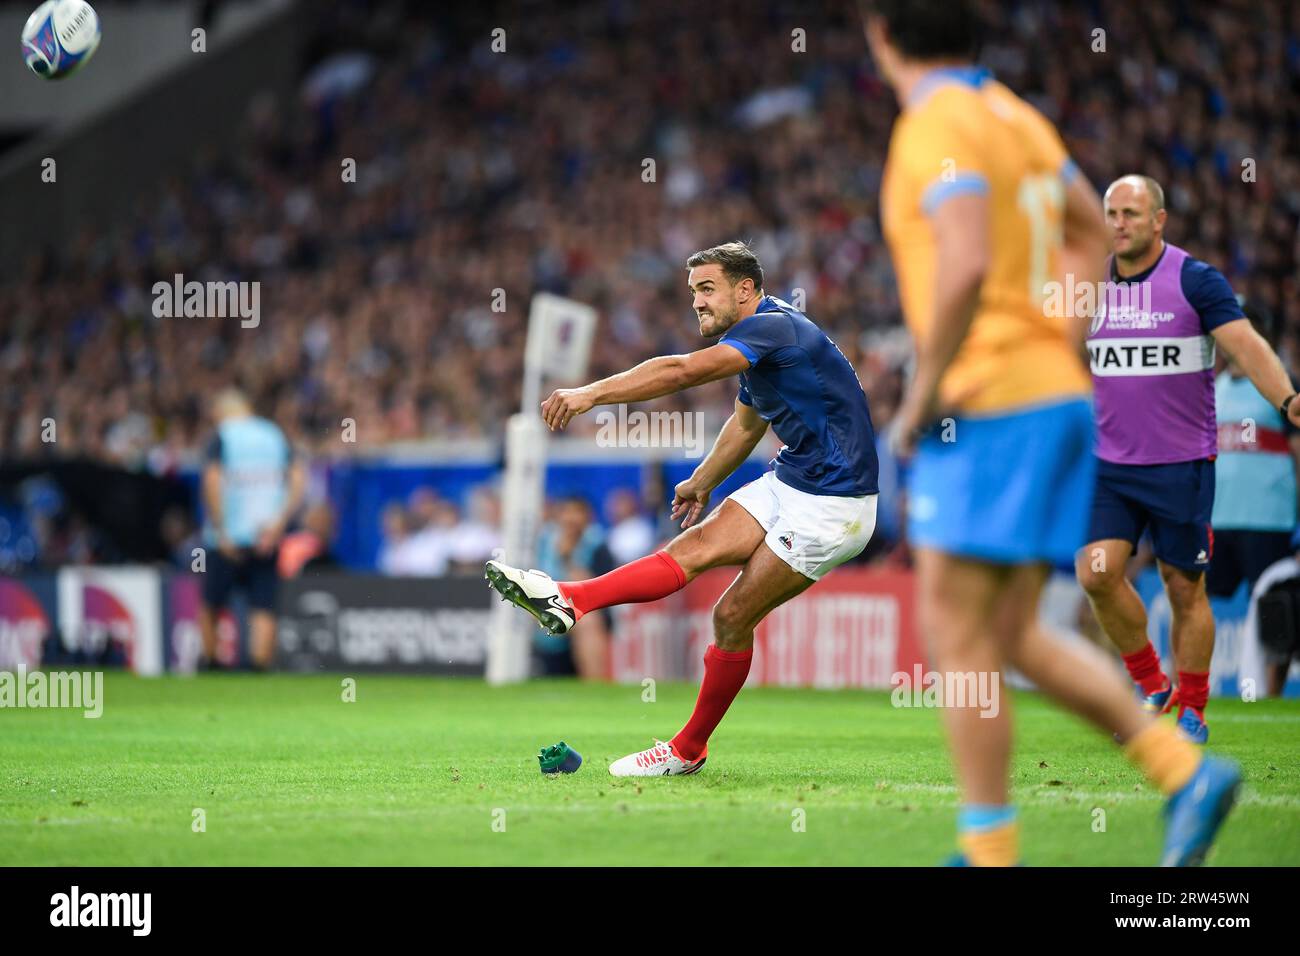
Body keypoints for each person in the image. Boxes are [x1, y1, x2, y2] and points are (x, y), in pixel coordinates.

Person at [863, 0, 1239, 865]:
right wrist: (1054, 335)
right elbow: (1081, 226)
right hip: (1056, 396)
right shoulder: (1014, 114)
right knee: (1011, 634)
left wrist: (923, 399)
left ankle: (991, 848)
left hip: (990, 404)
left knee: (957, 637)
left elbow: (961, 258)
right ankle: (1181, 770)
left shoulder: (933, 121)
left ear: (880, 34)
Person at [484, 240, 879, 775]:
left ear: (746, 290)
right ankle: (569, 602)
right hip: (795, 477)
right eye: (693, 291)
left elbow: (679, 371)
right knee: (689, 549)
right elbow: (746, 423)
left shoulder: (774, 328)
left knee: (731, 616)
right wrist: (702, 480)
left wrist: (590, 395)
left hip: (837, 503)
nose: (697, 302)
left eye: (708, 289)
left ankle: (688, 750)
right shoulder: (757, 339)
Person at [1076, 177, 1300, 743]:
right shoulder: (1088, 284)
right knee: (1096, 572)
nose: (1119, 222)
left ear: (1159, 221)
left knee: (1183, 587)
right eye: (1111, 213)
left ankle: (1194, 707)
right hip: (1110, 464)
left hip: (1180, 463)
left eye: (1131, 212)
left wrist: (1289, 400)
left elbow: (1244, 344)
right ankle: (1152, 683)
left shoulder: (1195, 281)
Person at [1205, 298, 1300, 696]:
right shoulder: (1212, 389)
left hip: (1269, 517)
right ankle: (1187, 684)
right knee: (1196, 601)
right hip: (1220, 518)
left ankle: (1273, 695)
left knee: (1274, 609)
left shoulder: (1283, 386)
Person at [198, 388, 305, 670]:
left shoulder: (223, 436)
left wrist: (221, 530)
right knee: (264, 604)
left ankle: (211, 664)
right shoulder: (274, 434)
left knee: (211, 602)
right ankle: (259, 668)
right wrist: (279, 524)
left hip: (228, 537)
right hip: (266, 536)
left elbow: (212, 480)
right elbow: (297, 478)